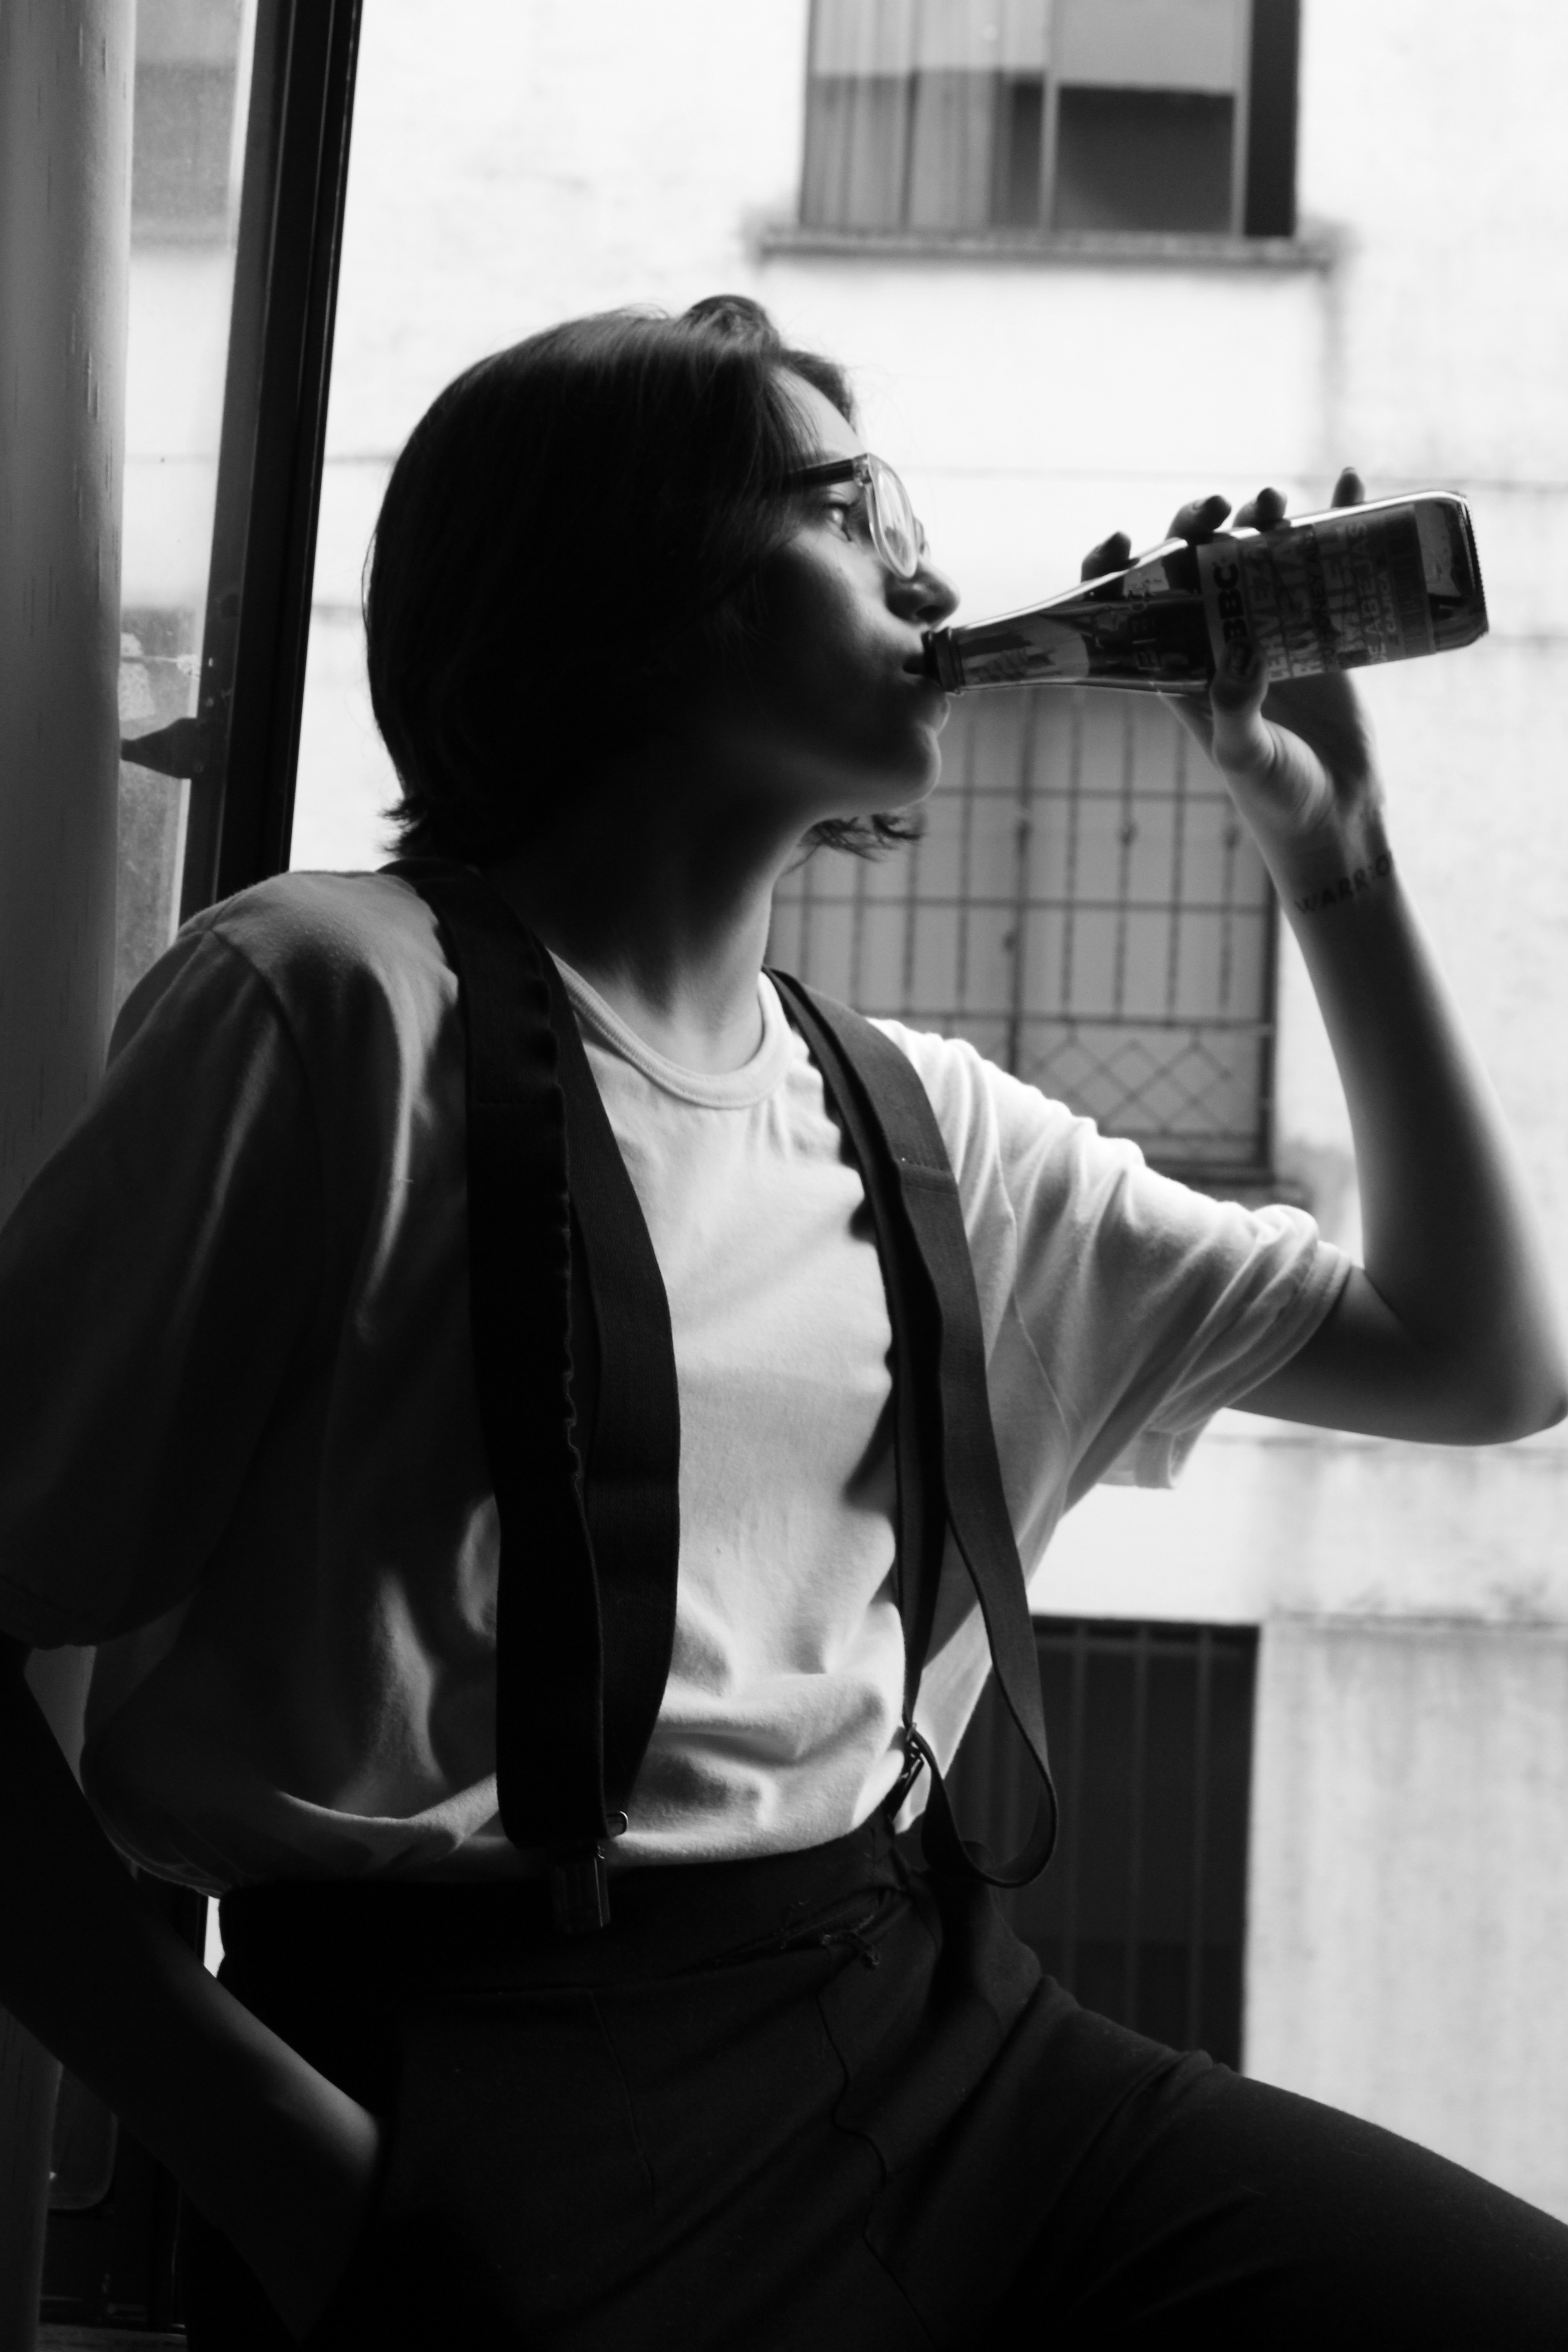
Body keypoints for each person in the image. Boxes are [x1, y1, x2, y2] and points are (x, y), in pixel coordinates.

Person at [1, 293, 1565, 2350]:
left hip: (942, 2038)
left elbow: (1489, 1362)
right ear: (636, 587)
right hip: (496, 2108)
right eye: (844, 511)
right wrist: (281, 2158)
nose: (926, 574)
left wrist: (1332, 857)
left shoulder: (926, 1123)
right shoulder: (325, 1001)